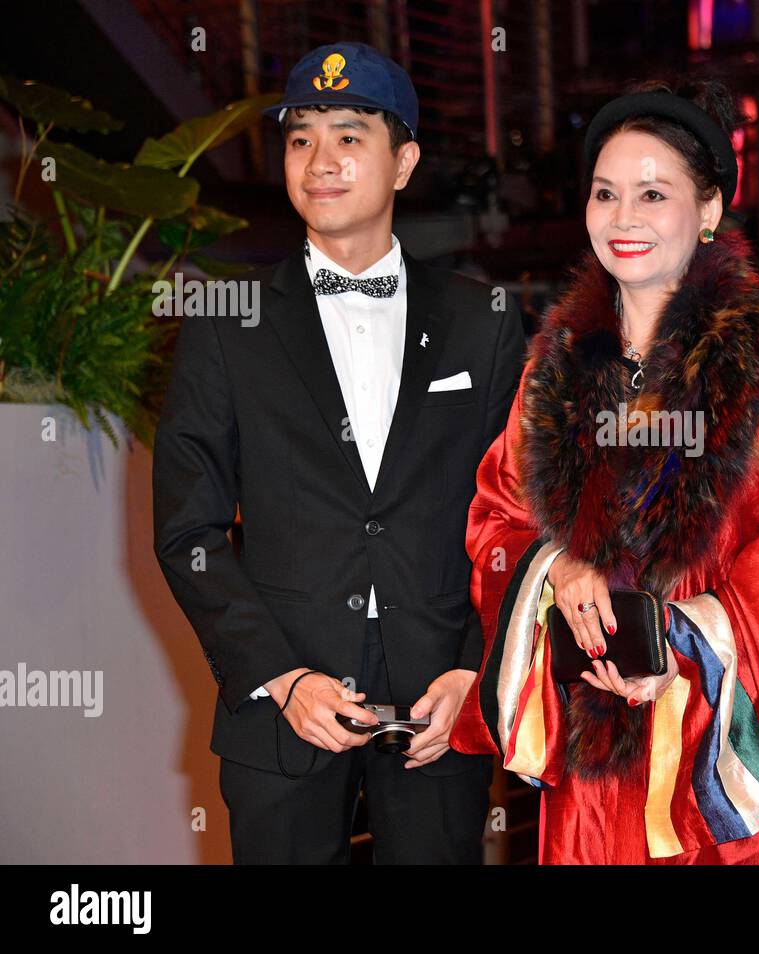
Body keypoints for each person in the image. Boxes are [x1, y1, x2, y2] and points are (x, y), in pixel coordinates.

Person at [450, 80, 759, 864]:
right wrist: (556, 568)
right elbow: (497, 519)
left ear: (706, 213)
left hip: (721, 759)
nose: (623, 217)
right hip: (595, 773)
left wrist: (685, 637)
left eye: (652, 193)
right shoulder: (553, 370)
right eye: (605, 193)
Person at [153, 42, 525, 863]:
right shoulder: (227, 322)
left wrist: (475, 673)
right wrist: (281, 677)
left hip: (437, 709)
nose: (320, 161)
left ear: (404, 162)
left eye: (350, 136)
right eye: (300, 138)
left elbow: (512, 522)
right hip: (280, 716)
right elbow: (190, 531)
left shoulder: (482, 321)